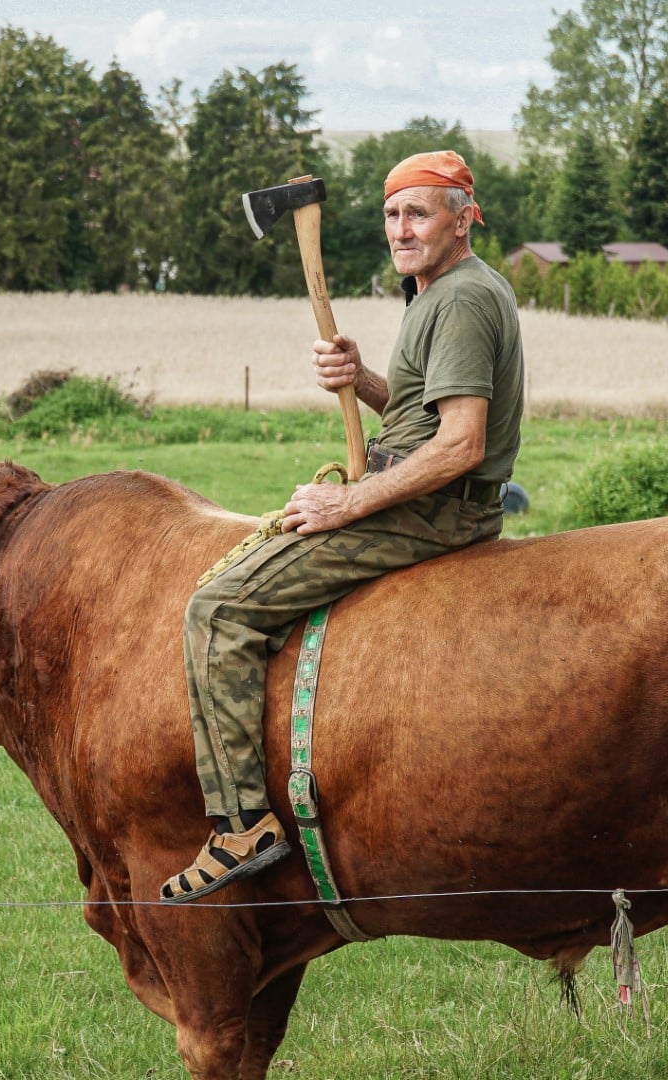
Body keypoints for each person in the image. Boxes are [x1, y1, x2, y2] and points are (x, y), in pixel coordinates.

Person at [161, 150, 526, 902]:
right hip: (415, 494)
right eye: (392, 214)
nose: (401, 229)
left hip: (429, 512)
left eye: (418, 213)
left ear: (463, 220)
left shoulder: (461, 299)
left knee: (219, 609)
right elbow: (424, 414)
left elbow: (462, 444)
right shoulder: (440, 291)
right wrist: (362, 381)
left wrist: (347, 504)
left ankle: (242, 826)